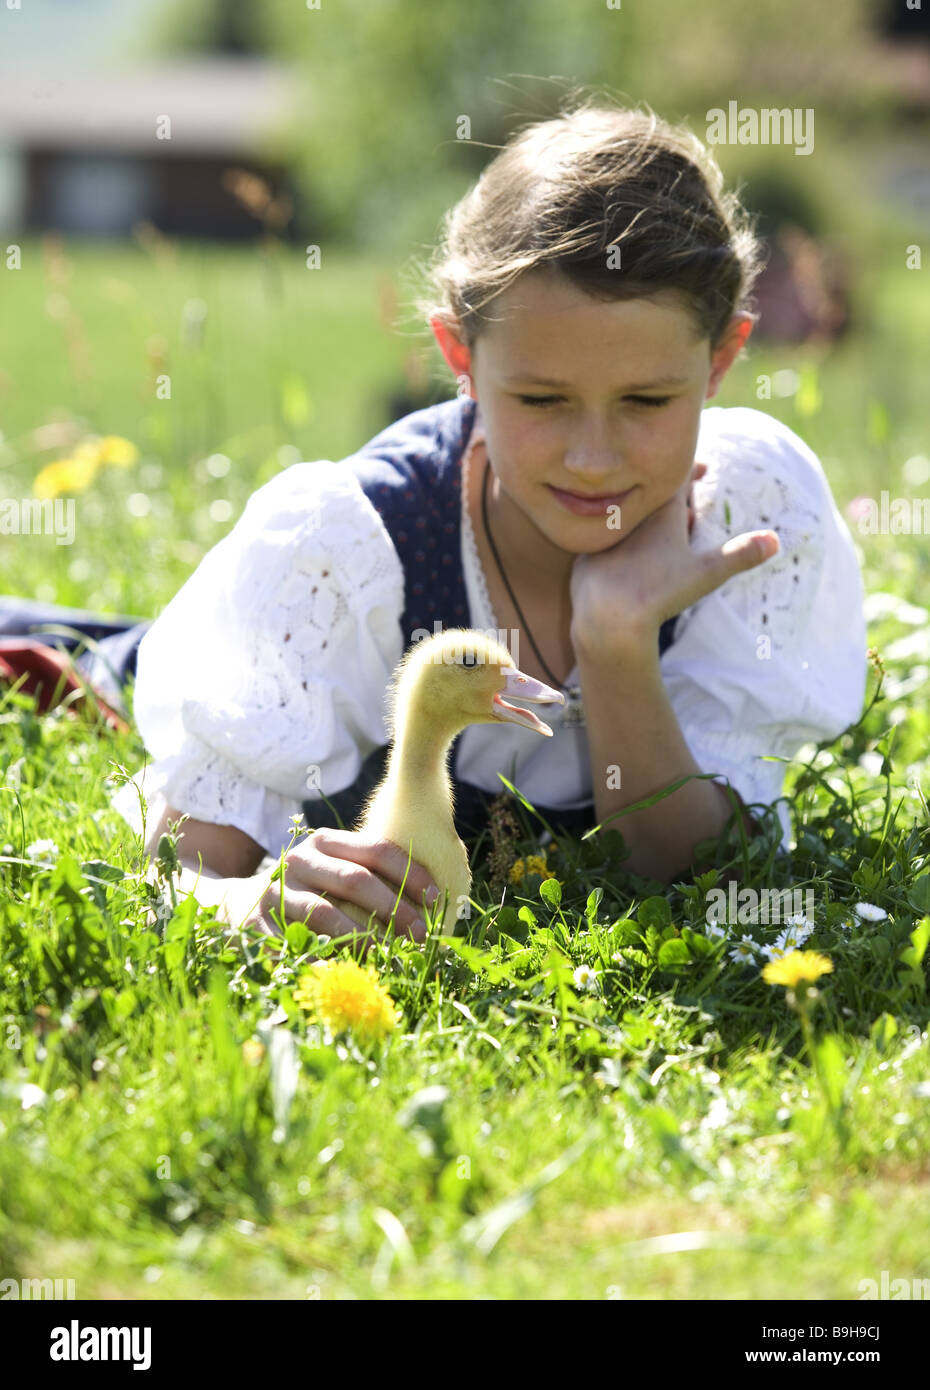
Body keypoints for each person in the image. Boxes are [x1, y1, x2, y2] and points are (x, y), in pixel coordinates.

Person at [14, 99, 868, 945]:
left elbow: (694, 870)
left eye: (646, 400)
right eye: (541, 399)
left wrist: (615, 637)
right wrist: (253, 904)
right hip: (224, 655)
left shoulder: (750, 509)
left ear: (723, 359)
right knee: (63, 655)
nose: (593, 459)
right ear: (459, 356)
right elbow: (179, 872)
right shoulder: (339, 552)